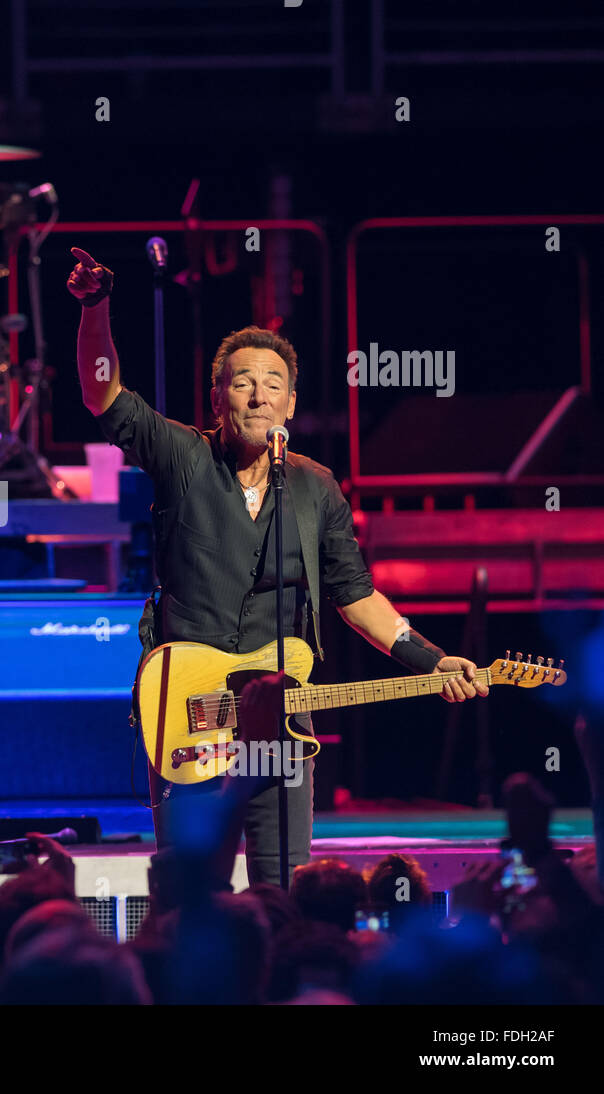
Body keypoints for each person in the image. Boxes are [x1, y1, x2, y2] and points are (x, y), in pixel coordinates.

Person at [67, 246, 488, 884]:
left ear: (291, 406)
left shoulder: (316, 487)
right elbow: (103, 393)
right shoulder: (183, 457)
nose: (258, 397)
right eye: (242, 383)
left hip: (281, 719)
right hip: (190, 710)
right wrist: (96, 308)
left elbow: (356, 596)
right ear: (217, 400)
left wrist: (432, 660)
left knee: (285, 886)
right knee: (191, 894)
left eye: (273, 386)